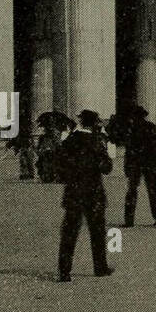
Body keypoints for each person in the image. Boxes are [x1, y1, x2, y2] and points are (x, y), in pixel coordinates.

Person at [55, 110, 114, 281]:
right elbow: (107, 168)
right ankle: (100, 267)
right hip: (93, 193)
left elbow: (59, 164)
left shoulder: (70, 141)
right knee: (97, 232)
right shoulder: (96, 142)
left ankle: (64, 271)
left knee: (69, 232)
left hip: (73, 192)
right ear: (94, 124)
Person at [123, 106, 156, 228]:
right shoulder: (151, 128)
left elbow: (128, 149)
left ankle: (129, 220)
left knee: (132, 191)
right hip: (149, 163)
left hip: (136, 163)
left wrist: (127, 165)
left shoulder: (131, 129)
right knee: (153, 190)